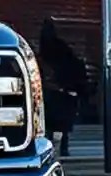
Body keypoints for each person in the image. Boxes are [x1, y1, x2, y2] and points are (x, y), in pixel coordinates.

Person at [39, 17, 89, 157]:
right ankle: (62, 149)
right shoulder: (60, 47)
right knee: (62, 123)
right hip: (63, 89)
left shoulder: (48, 49)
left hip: (56, 88)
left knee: (52, 122)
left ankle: (54, 148)